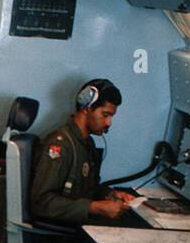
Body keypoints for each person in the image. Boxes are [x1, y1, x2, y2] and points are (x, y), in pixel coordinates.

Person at [29, 79, 136, 226]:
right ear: (86, 107)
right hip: (59, 236)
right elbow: (41, 202)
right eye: (105, 115)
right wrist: (95, 208)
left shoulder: (87, 144)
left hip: (77, 226)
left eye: (111, 116)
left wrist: (111, 195)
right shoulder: (60, 145)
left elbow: (88, 188)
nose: (109, 123)